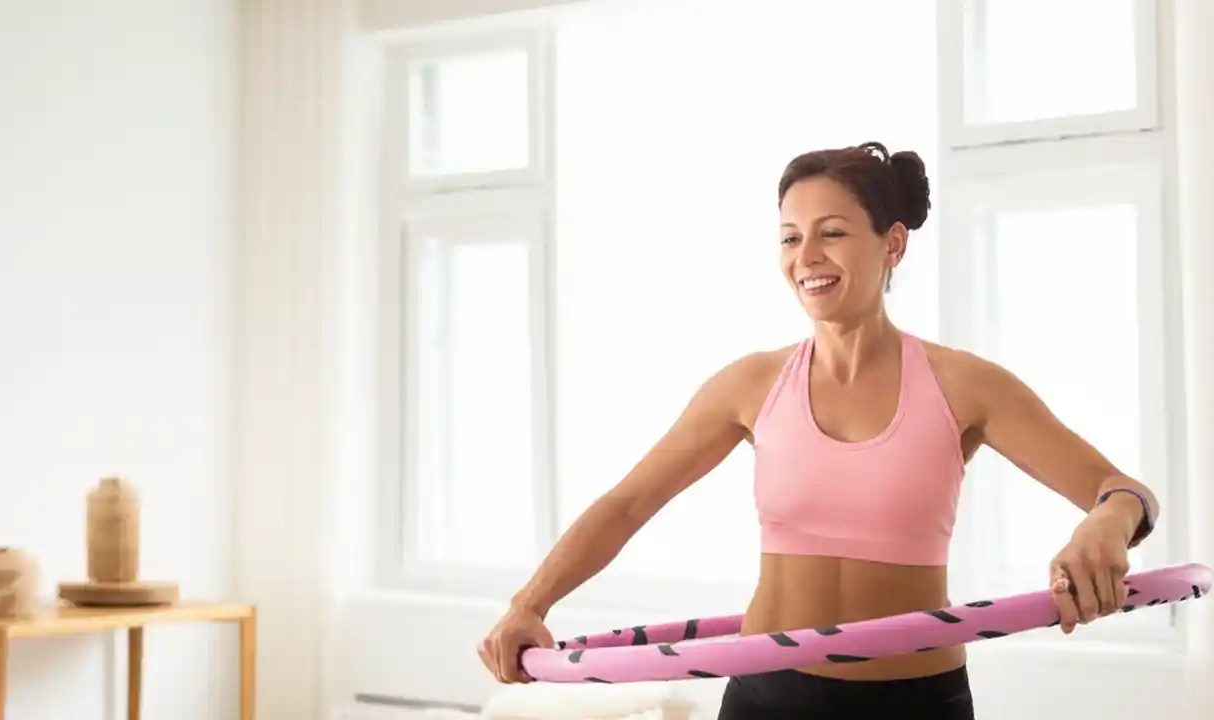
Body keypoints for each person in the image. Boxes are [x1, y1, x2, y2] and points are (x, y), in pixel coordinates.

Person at [476, 141, 1158, 718]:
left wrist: (1104, 521)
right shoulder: (749, 384)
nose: (808, 256)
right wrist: (527, 604)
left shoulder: (964, 384)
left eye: (831, 232)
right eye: (790, 237)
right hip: (765, 696)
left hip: (915, 702)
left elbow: (1120, 490)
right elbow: (627, 504)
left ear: (892, 243)